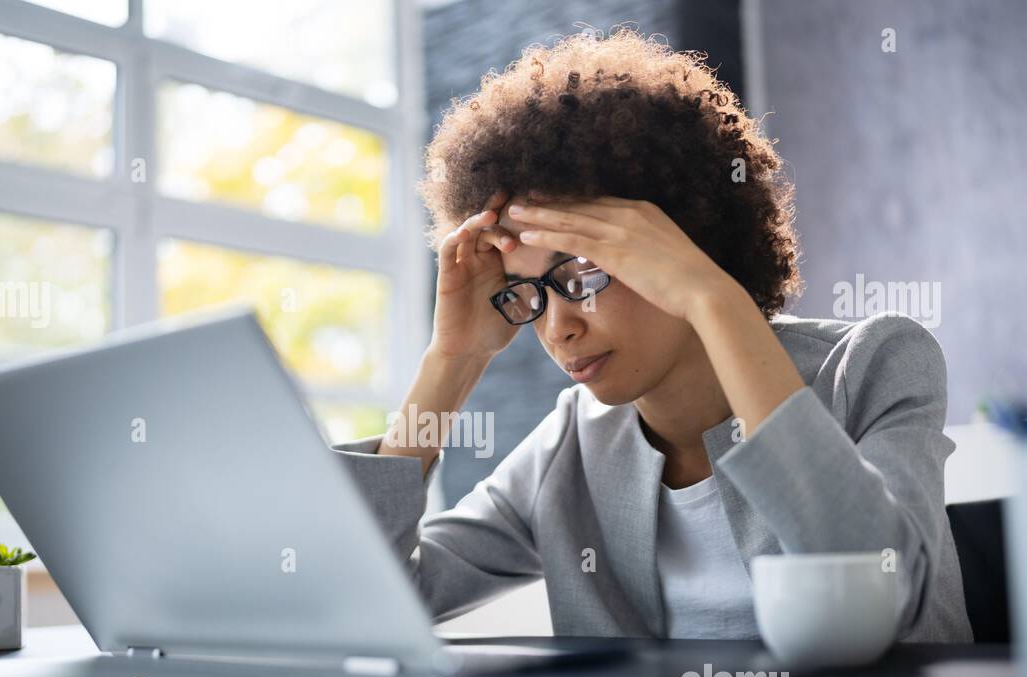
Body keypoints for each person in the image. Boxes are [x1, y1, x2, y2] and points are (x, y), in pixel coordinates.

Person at [331, 28, 972, 644]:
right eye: (526, 293)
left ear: (682, 245)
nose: (558, 327)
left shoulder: (873, 364)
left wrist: (711, 295)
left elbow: (883, 593)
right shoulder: (571, 449)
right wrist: (452, 360)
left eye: (582, 273)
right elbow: (366, 603)